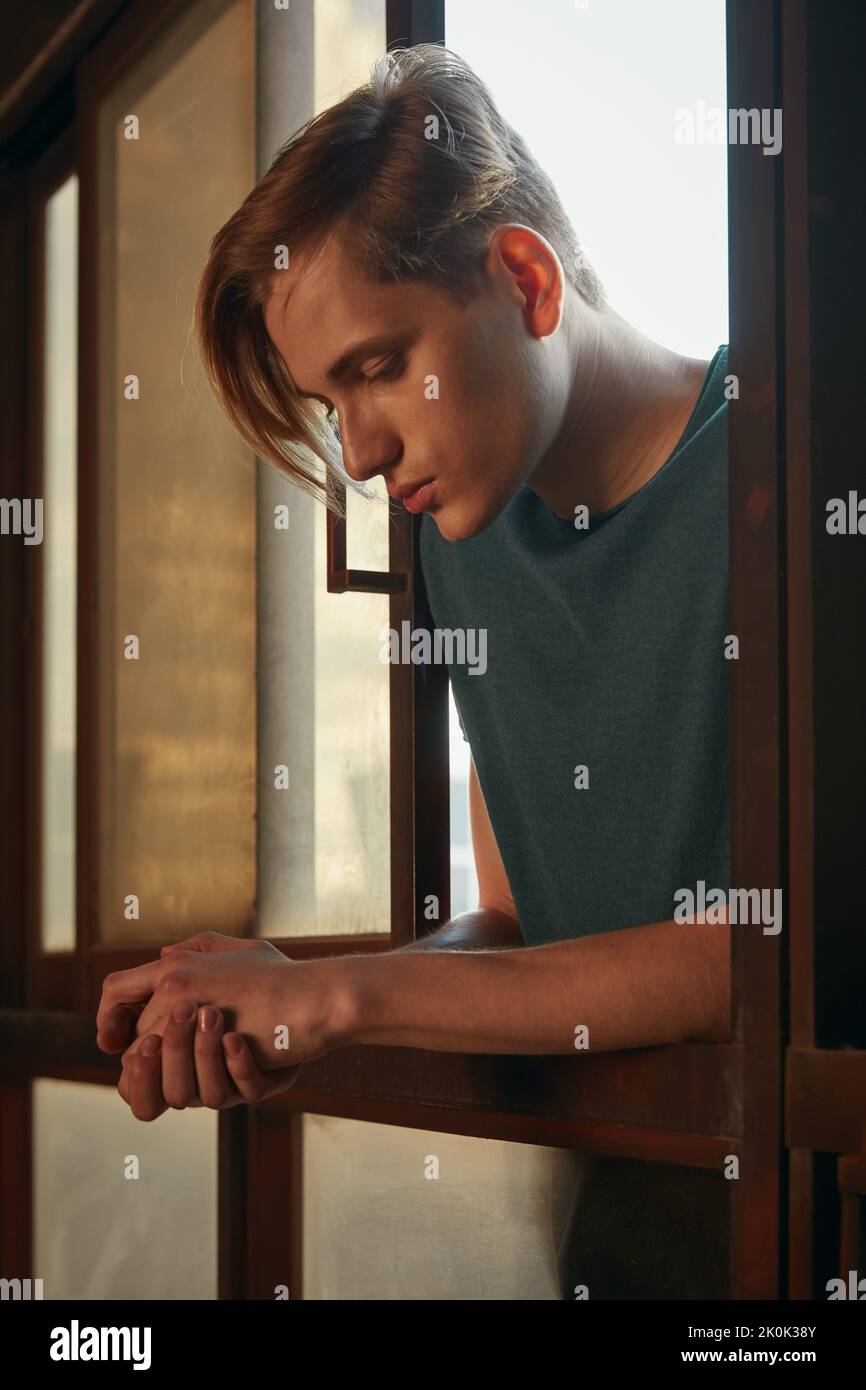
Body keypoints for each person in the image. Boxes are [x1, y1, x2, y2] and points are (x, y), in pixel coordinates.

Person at [96, 44, 731, 1131]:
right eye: (328, 403)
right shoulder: (463, 549)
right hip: (609, 1220)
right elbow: (515, 921)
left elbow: (780, 953)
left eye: (377, 368)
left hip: (803, 1207)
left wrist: (342, 997)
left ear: (526, 281)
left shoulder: (782, 470)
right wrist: (294, 996)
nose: (355, 454)